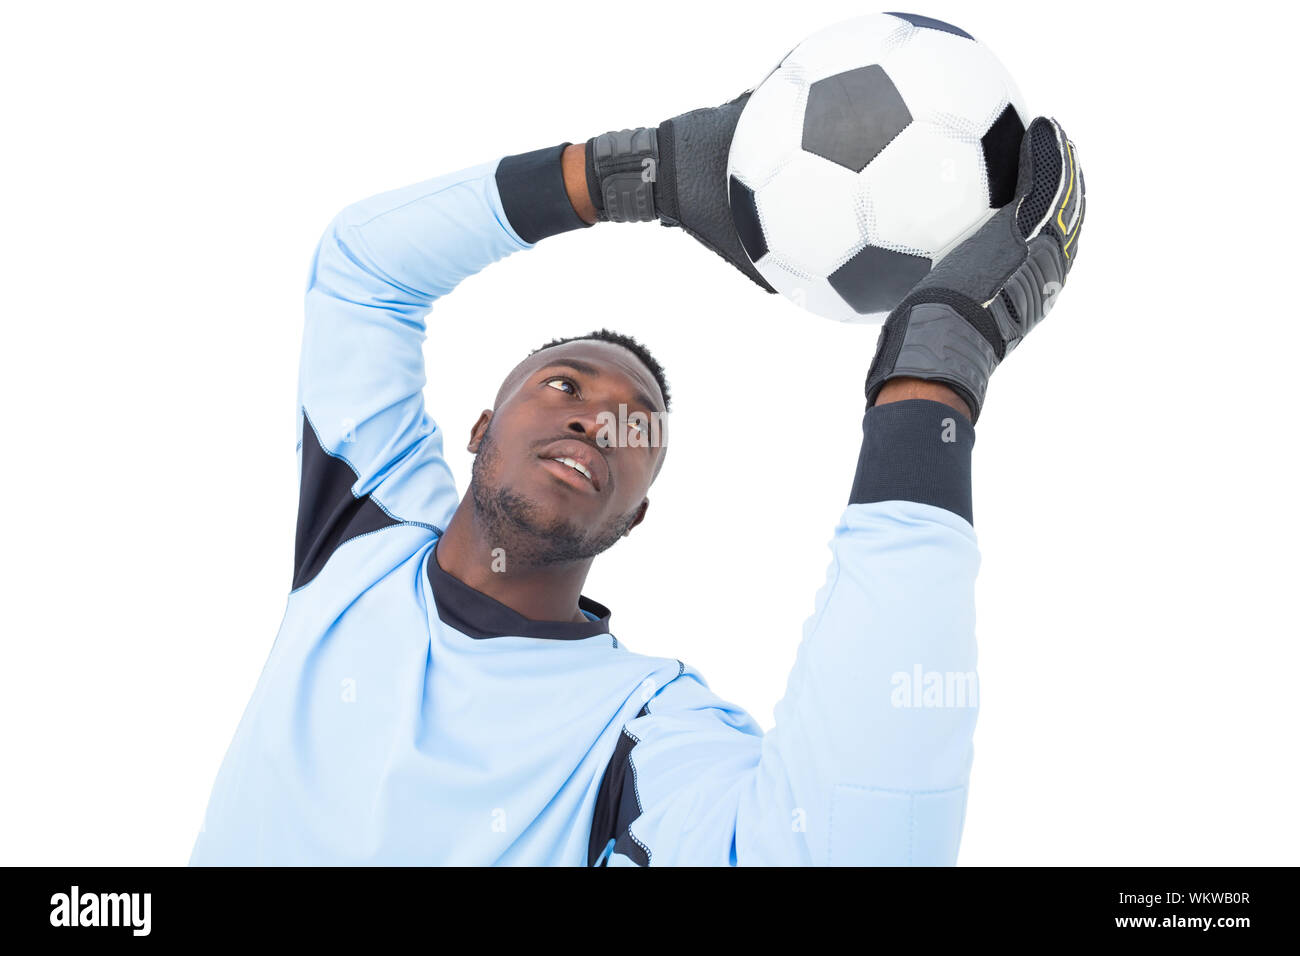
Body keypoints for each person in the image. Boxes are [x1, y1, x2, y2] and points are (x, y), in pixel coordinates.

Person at [190, 74, 1085, 866]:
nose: (597, 417)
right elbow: (361, 267)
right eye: (562, 383)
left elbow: (846, 846)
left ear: (636, 517)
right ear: (477, 429)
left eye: (637, 427)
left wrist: (929, 376)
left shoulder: (638, 730)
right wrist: (631, 174)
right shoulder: (360, 545)